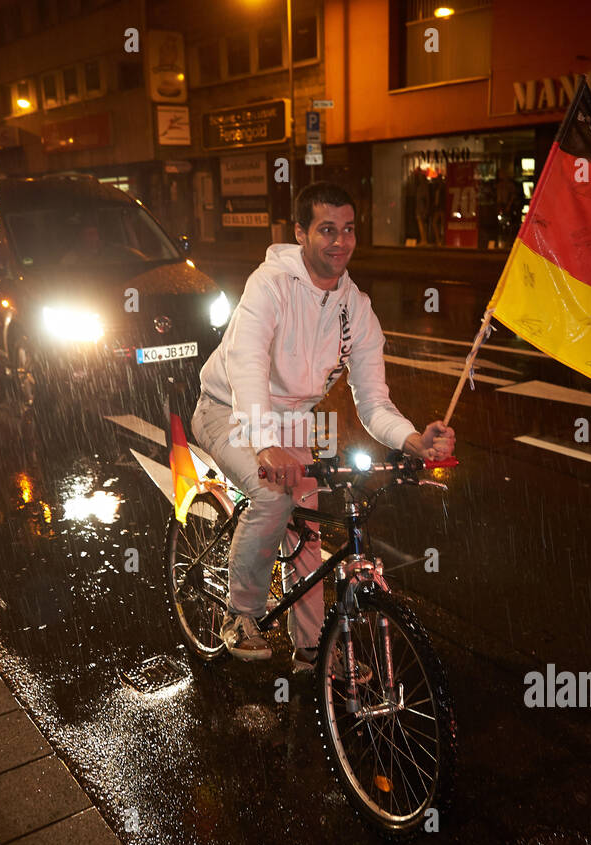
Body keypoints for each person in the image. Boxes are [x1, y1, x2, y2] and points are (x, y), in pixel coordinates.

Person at [192, 181, 455, 668]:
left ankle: (314, 647)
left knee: (307, 528)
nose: (340, 241)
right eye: (327, 229)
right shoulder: (269, 284)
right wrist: (266, 443)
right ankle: (241, 613)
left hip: (290, 424)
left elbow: (374, 402)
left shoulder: (356, 309)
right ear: (301, 233)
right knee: (273, 496)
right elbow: (247, 363)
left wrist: (415, 440)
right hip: (227, 409)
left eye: (349, 230)